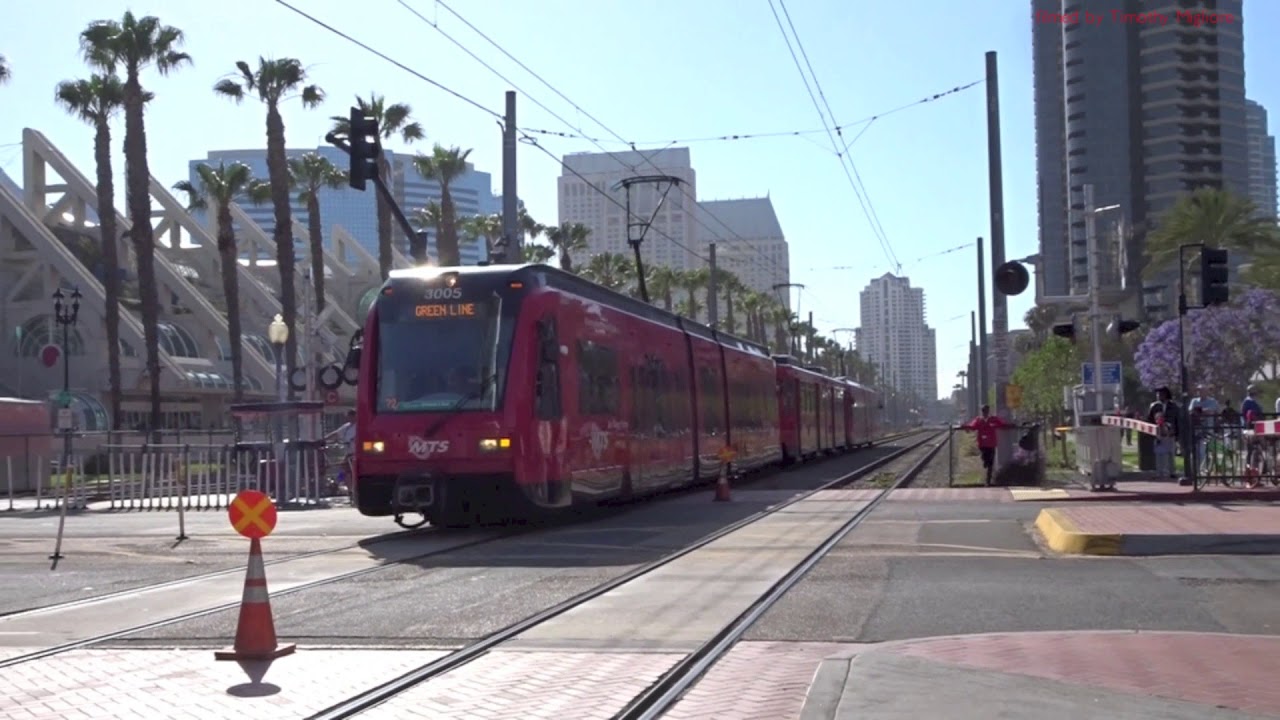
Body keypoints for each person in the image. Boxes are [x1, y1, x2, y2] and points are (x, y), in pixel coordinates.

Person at [961, 405, 1007, 486]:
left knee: (990, 463)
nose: (985, 412)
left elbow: (1002, 424)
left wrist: (1009, 425)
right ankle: (985, 462)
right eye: (983, 411)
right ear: (982, 412)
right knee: (985, 459)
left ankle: (988, 481)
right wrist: (965, 426)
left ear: (988, 411)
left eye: (986, 411)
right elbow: (973, 426)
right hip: (982, 444)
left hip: (991, 444)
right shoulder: (979, 420)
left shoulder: (993, 419)